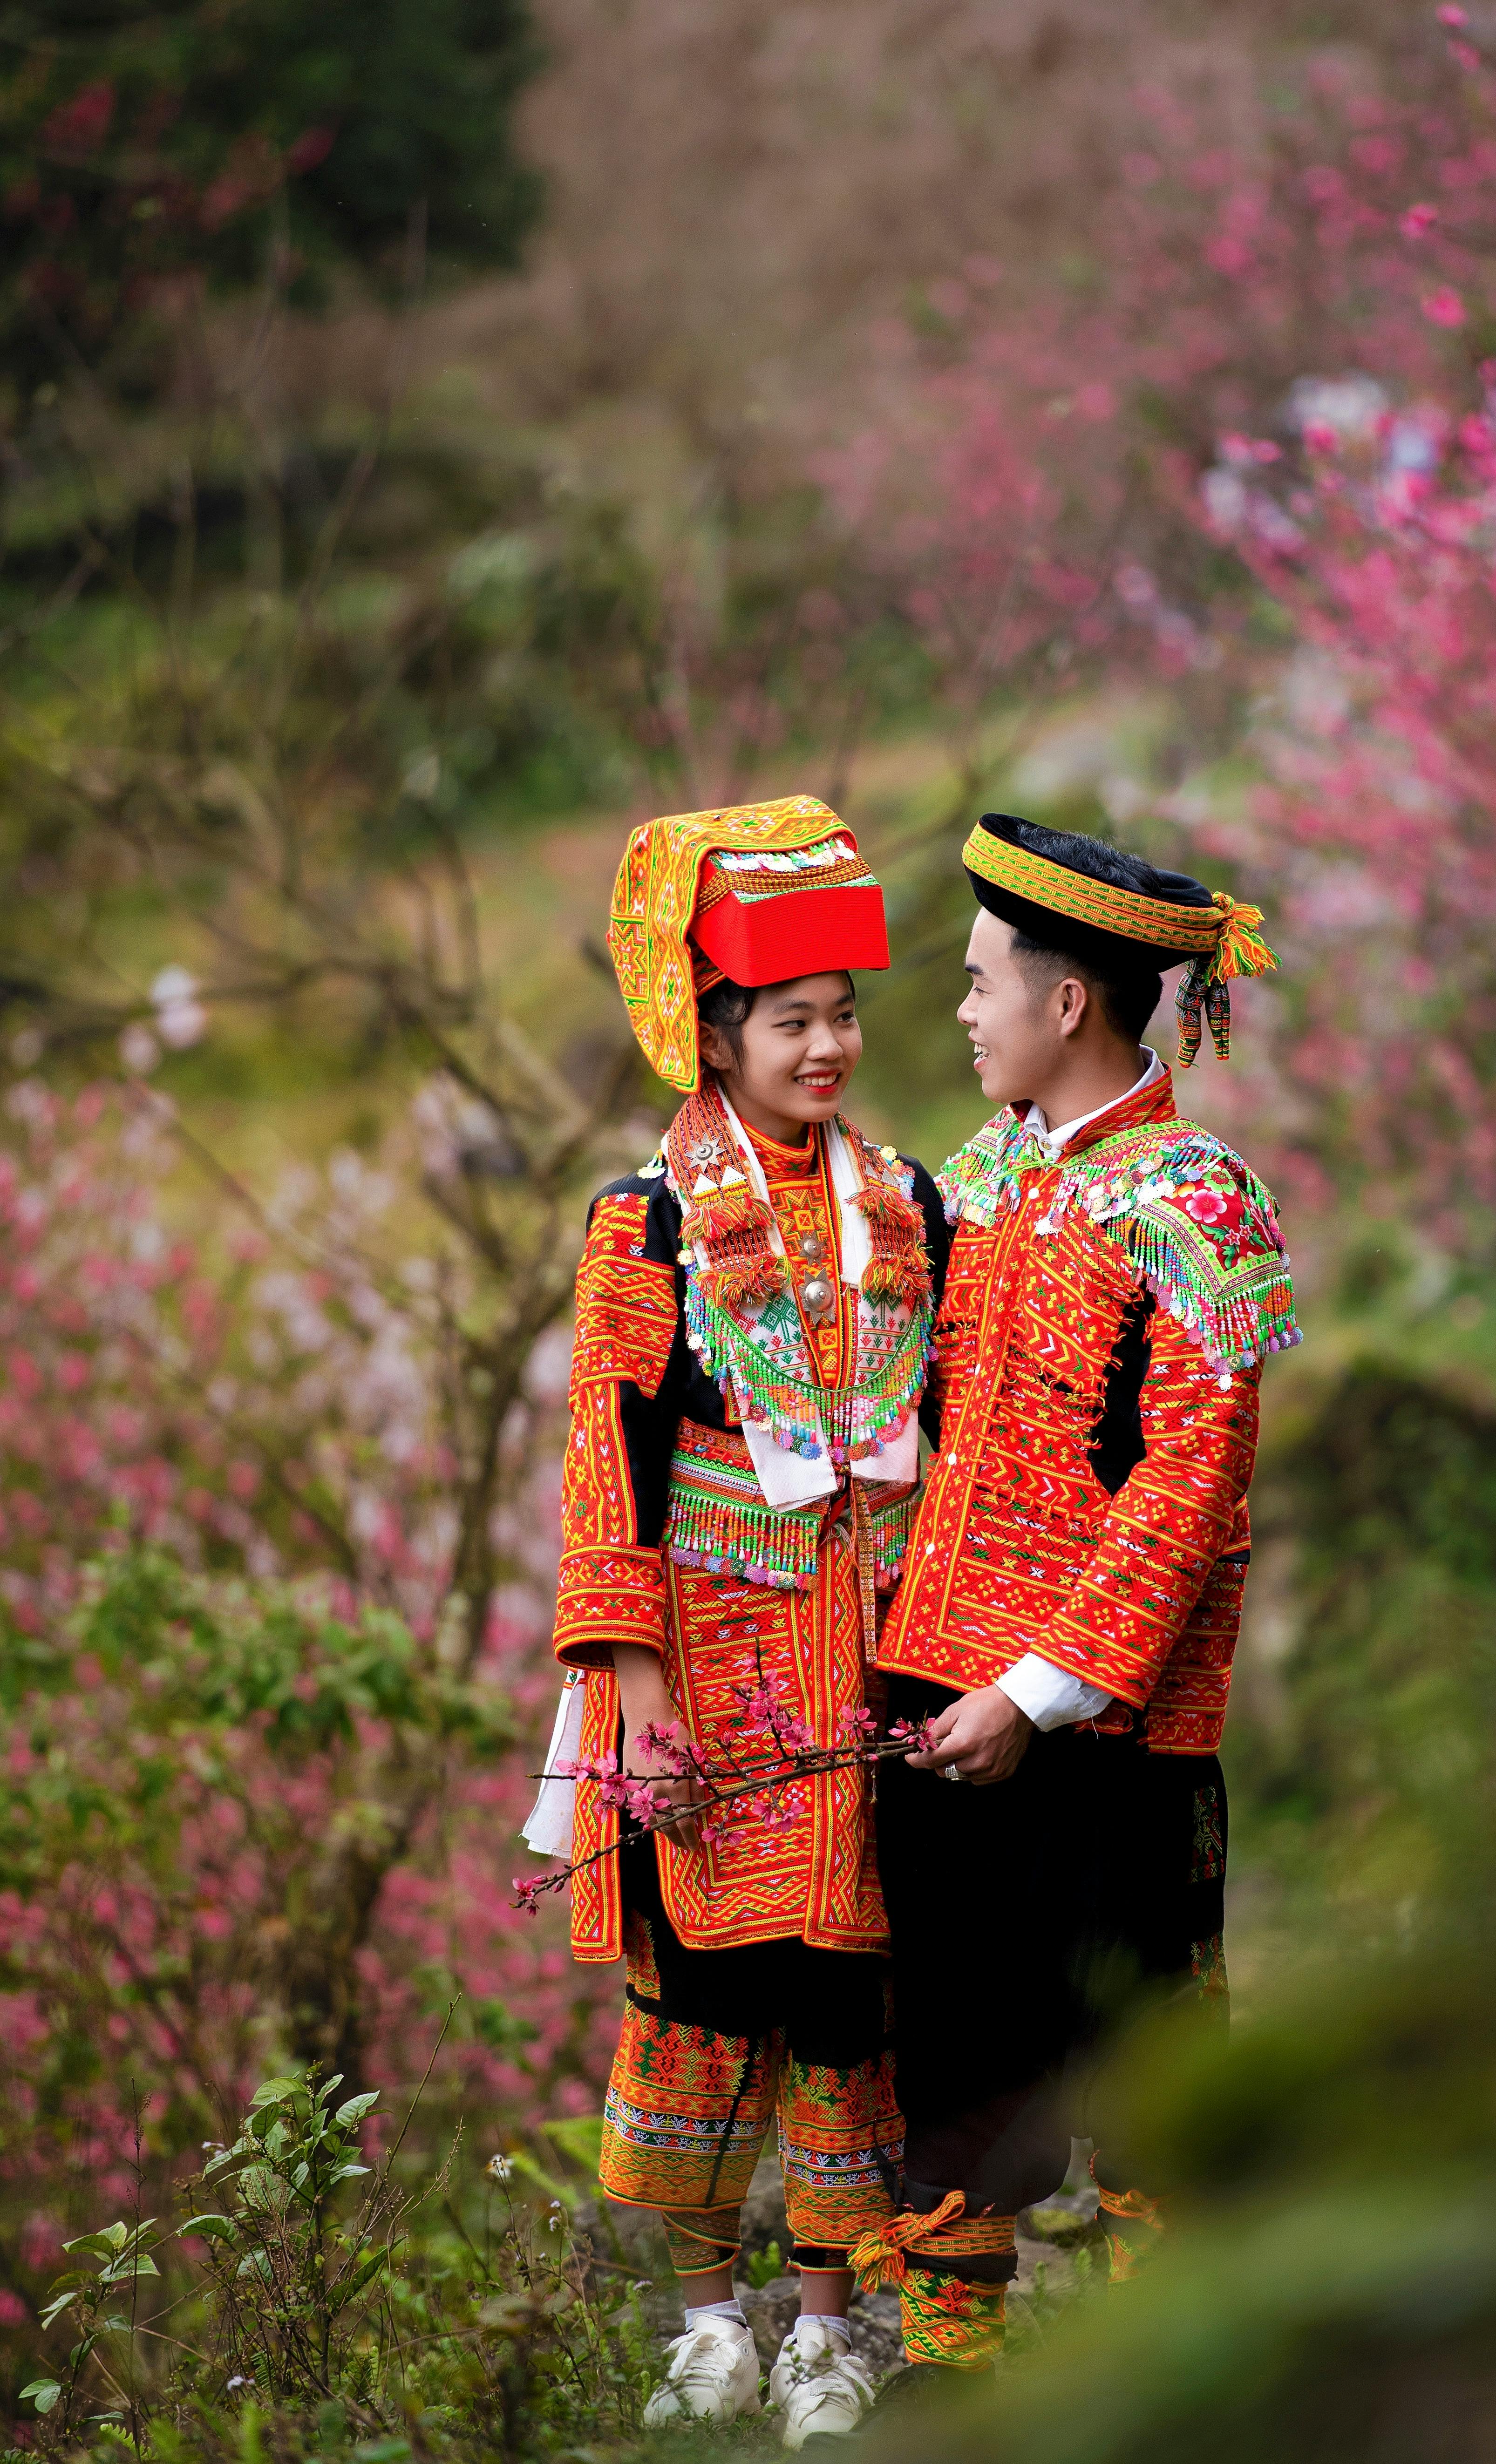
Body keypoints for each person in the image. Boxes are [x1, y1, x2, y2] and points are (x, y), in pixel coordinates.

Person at [521, 794, 949, 2445]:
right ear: (716, 1029)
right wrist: (641, 1699)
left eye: (845, 1014)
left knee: (850, 1993)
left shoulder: (909, 1205)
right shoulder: (646, 1219)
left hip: (868, 1654)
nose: (829, 1043)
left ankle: (828, 2327)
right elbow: (602, 1470)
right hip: (701, 1658)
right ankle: (710, 2319)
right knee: (701, 1988)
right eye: (794, 1019)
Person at [852, 811, 1299, 2383]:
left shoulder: (1200, 1201)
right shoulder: (970, 1183)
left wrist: (1034, 1692)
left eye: (980, 982)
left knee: (1141, 2068)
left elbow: (1188, 1491)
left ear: (1067, 1003)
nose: (960, 1012)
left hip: (1107, 1736)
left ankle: (1164, 2381)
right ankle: (951, 2380)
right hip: (932, 1692)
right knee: (958, 2055)